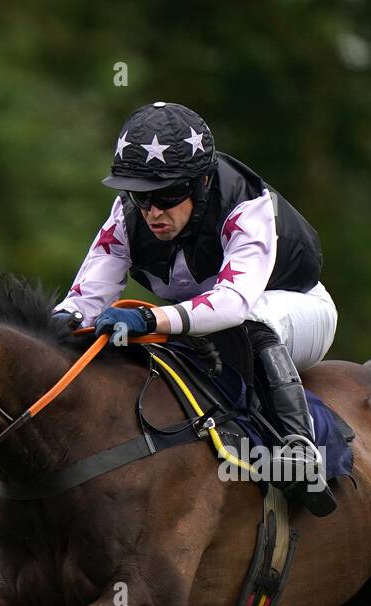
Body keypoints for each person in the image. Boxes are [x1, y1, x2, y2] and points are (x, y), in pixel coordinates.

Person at [51, 101, 338, 516]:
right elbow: (84, 302)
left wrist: (148, 317)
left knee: (249, 319)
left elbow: (232, 304)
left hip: (295, 313)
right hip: (208, 327)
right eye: (140, 196)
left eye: (167, 195)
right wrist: (50, 331)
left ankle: (299, 447)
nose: (152, 211)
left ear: (202, 182)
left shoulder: (246, 203)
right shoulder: (128, 216)